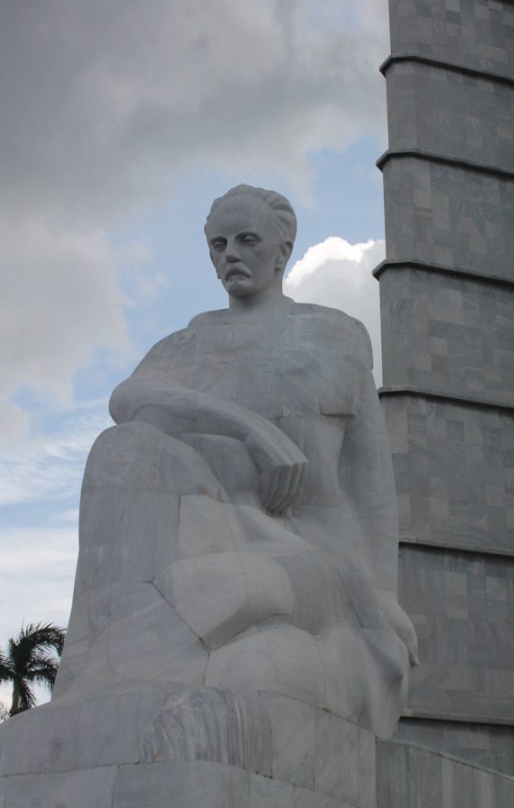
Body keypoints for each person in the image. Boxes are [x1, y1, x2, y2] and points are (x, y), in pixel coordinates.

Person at [48, 185, 417, 740]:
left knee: (232, 595)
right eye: (219, 245)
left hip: (315, 551)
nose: (231, 256)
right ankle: (99, 678)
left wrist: (384, 599)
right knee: (120, 449)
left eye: (247, 240)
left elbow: (372, 489)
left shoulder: (336, 336)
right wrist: (247, 426)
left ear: (282, 249)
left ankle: (142, 675)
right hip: (211, 532)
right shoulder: (188, 343)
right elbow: (128, 399)